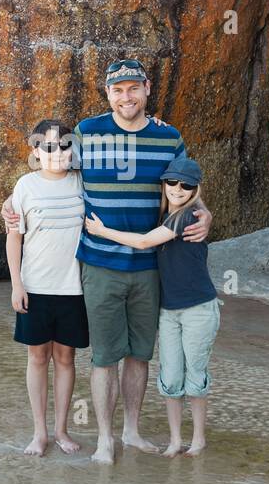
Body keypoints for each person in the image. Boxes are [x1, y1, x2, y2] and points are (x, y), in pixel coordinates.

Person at [2, 59, 212, 464]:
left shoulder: (169, 138)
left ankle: (130, 431)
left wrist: (206, 215)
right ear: (108, 93)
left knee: (139, 354)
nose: (126, 97)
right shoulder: (87, 133)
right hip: (98, 266)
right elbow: (51, 164)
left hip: (150, 267)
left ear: (147, 89)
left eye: (133, 88)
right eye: (118, 90)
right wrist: (10, 205)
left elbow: (187, 188)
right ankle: (104, 439)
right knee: (104, 356)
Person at [84, 157, 220, 457]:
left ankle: (197, 440)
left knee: (195, 376)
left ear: (197, 189)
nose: (178, 189)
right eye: (172, 182)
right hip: (169, 310)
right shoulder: (167, 214)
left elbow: (145, 242)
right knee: (171, 377)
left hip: (198, 308)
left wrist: (102, 231)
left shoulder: (188, 215)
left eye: (187, 185)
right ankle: (174, 441)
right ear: (164, 183)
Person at [6, 120, 88, 456]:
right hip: (35, 286)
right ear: (36, 152)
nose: (57, 153)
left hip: (74, 288)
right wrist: (16, 284)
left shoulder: (84, 183)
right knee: (38, 357)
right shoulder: (25, 186)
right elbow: (14, 238)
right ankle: (39, 433)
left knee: (66, 358)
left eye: (64, 145)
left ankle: (61, 431)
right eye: (48, 147)